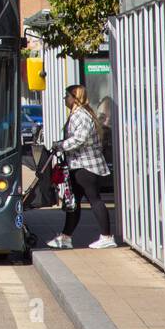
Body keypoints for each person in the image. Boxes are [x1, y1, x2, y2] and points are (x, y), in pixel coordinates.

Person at [47, 84, 115, 250]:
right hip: (79, 164)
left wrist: (60, 145)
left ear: (74, 98)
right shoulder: (81, 114)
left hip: (85, 165)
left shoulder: (80, 116)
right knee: (74, 202)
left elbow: (79, 139)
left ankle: (107, 237)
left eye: (67, 96)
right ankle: (66, 237)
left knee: (94, 200)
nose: (65, 99)